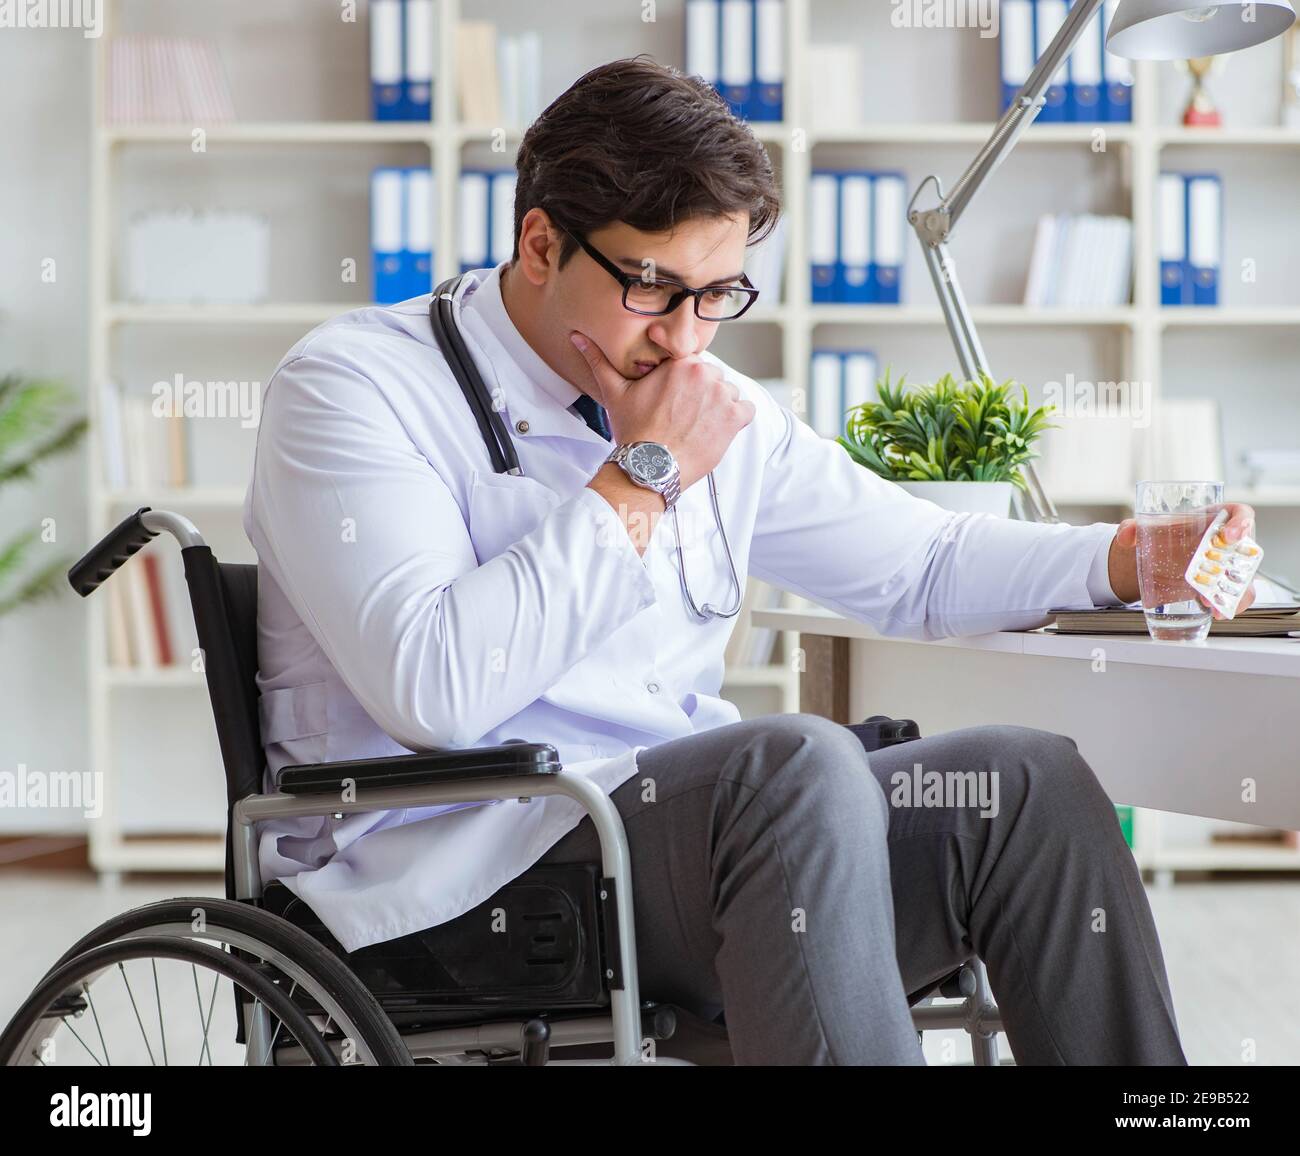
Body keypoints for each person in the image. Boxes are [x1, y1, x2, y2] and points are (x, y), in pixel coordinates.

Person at [243, 56, 1255, 1064]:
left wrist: (1124, 560)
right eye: (652, 289)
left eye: (717, 293)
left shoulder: (708, 405)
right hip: (450, 886)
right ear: (542, 243)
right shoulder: (355, 388)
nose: (686, 338)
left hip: (690, 856)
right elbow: (434, 687)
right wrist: (643, 473)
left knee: (1026, 785)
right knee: (791, 766)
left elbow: (921, 562)